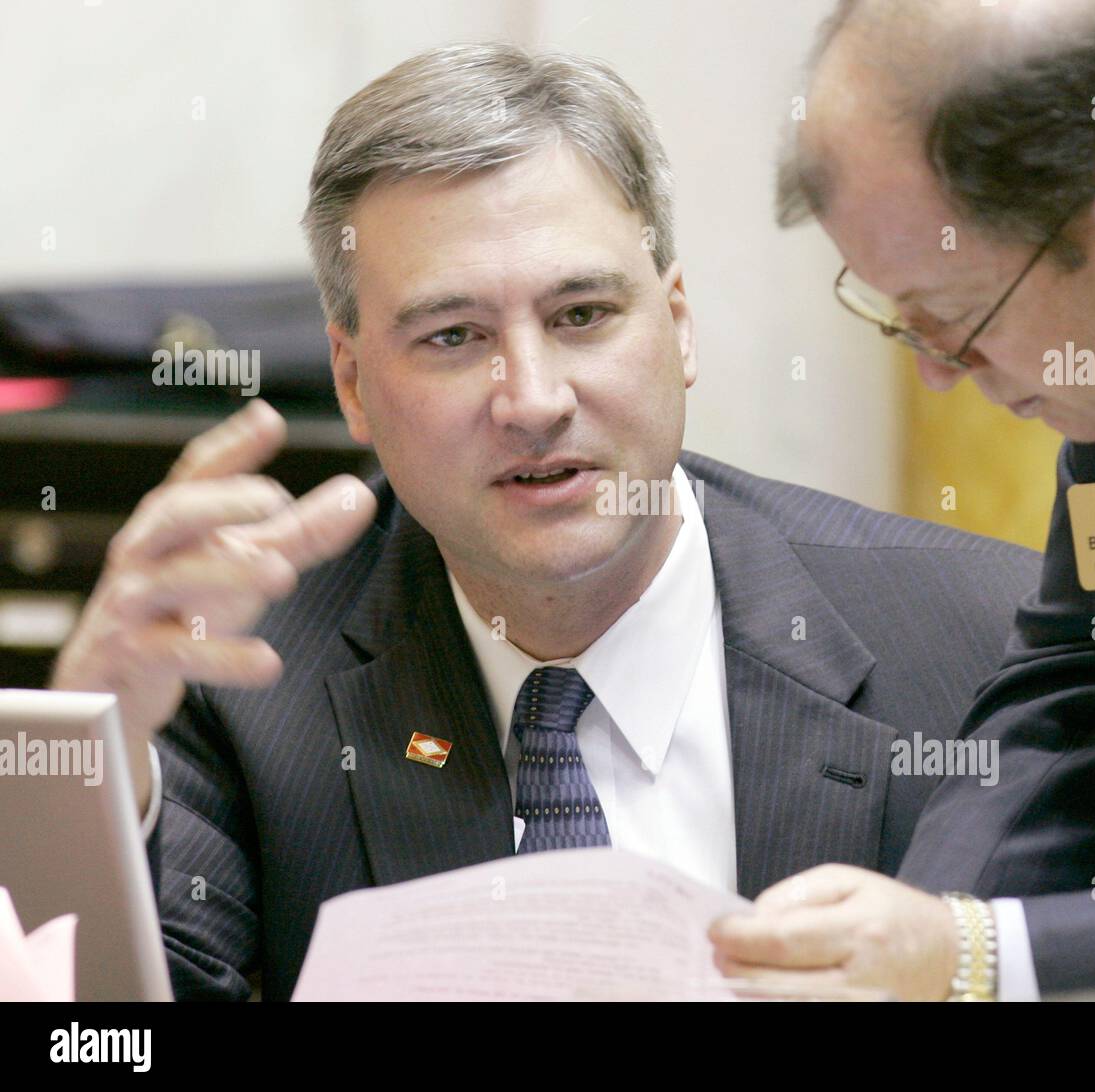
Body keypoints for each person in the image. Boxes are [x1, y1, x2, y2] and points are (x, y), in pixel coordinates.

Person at [50, 43, 1038, 1000]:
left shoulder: (982, 643)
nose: (530, 399)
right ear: (352, 383)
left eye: (581, 316)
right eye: (452, 336)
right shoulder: (237, 677)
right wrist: (79, 764)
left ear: (678, 323)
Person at [710, 0, 1095, 1000]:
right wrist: (921, 939)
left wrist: (985, 960)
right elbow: (1083, 675)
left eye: (956, 321)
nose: (940, 373)